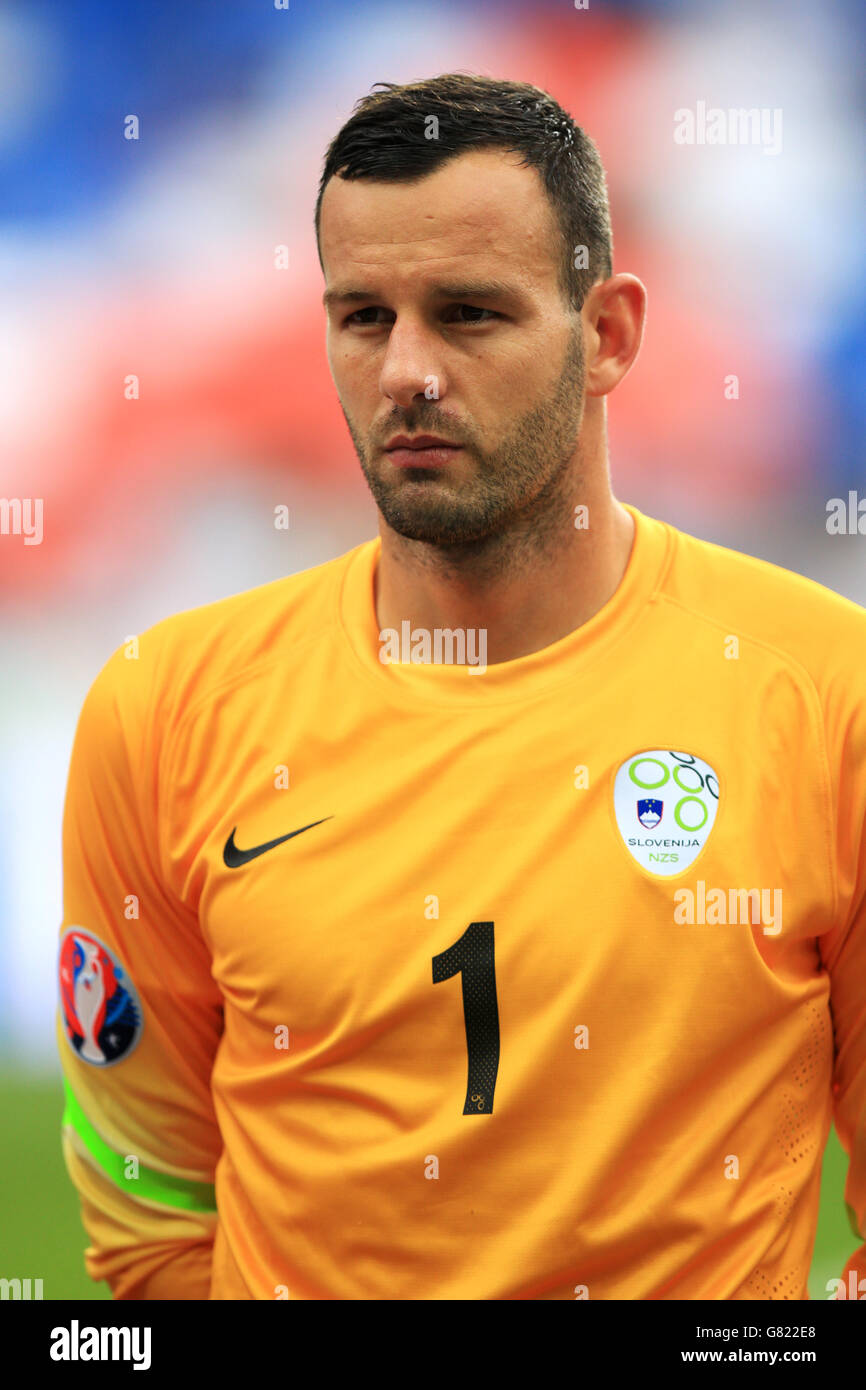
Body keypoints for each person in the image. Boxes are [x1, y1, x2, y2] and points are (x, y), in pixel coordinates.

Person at [58, 73, 866, 1300]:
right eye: (362, 317)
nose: (405, 372)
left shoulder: (822, 694)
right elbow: (151, 1210)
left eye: (469, 313)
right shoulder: (164, 706)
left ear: (606, 335)